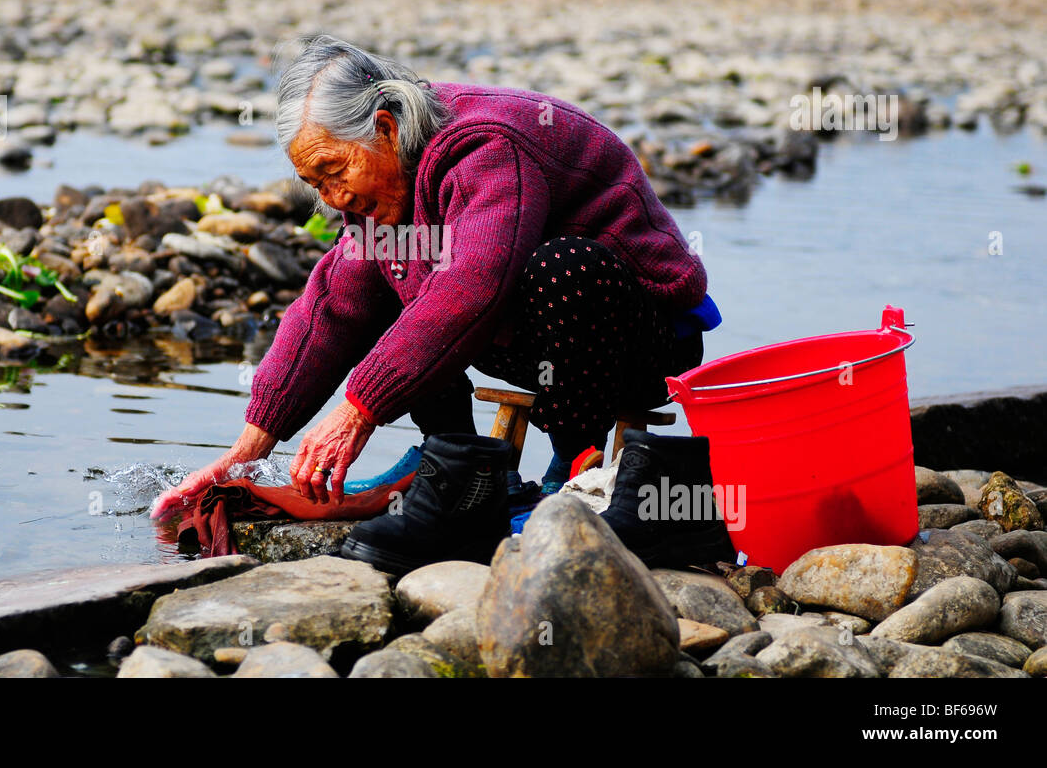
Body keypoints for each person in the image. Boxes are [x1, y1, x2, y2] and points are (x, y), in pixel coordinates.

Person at [153, 35, 719, 563]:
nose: (334, 197)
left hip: (640, 337)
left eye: (334, 171)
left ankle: (571, 468)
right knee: (392, 271)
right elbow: (331, 309)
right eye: (317, 185)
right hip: (530, 334)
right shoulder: (384, 192)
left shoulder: (484, 145)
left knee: (558, 266)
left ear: (386, 129)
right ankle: (453, 463)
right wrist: (246, 450)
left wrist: (359, 410)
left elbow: (476, 282)